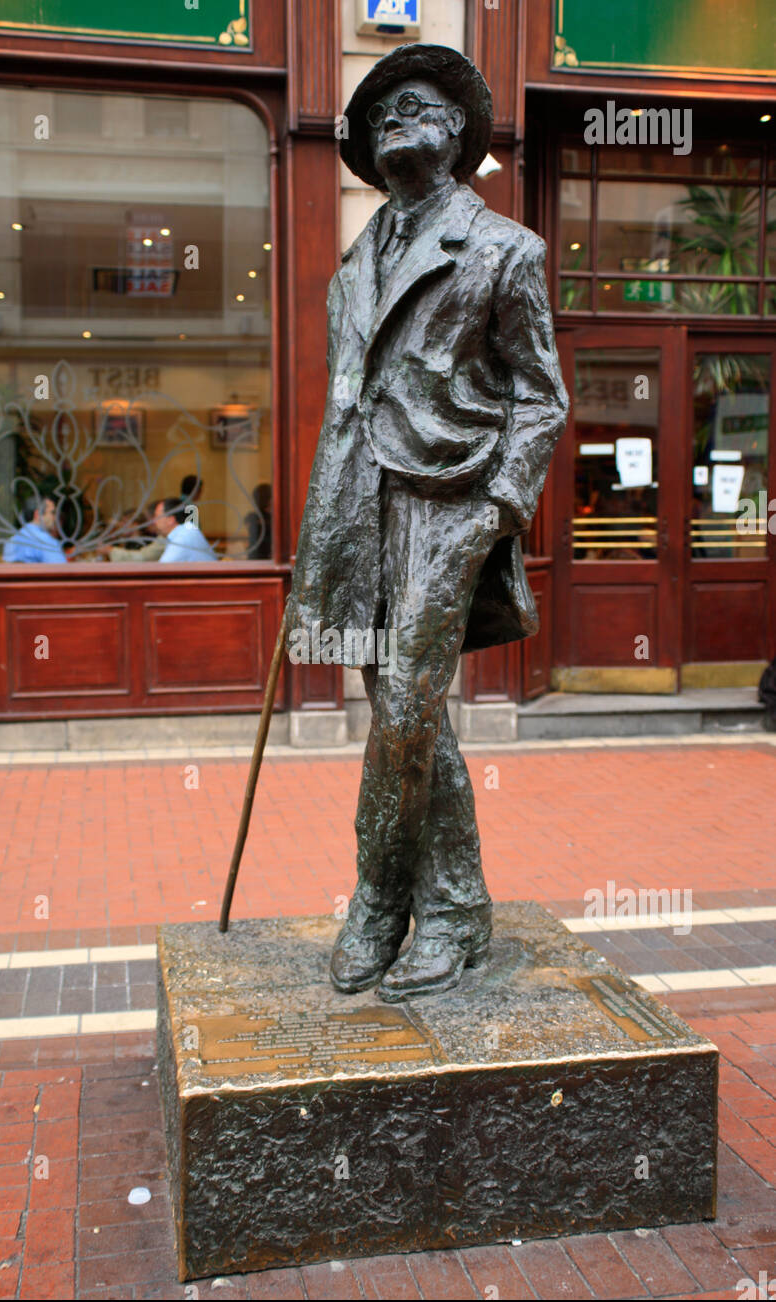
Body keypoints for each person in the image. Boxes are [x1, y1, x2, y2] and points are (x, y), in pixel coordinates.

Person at [285, 45, 568, 1001]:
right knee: (412, 718)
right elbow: (345, 404)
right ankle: (452, 908)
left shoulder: (505, 251)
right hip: (357, 506)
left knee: (406, 705)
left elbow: (543, 399)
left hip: (451, 502)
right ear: (368, 147)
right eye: (382, 112)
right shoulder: (349, 270)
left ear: (456, 136)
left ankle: (377, 898)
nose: (398, 119)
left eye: (420, 106)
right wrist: (317, 527)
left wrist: (500, 506)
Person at [3, 497, 67, 563]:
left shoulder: (12, 540)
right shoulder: (45, 541)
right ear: (38, 514)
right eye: (52, 513)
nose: (54, 518)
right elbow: (62, 570)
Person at [155, 498, 218, 562]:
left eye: (157, 517)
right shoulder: (186, 530)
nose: (154, 521)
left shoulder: (183, 536)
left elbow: (163, 567)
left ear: (170, 520)